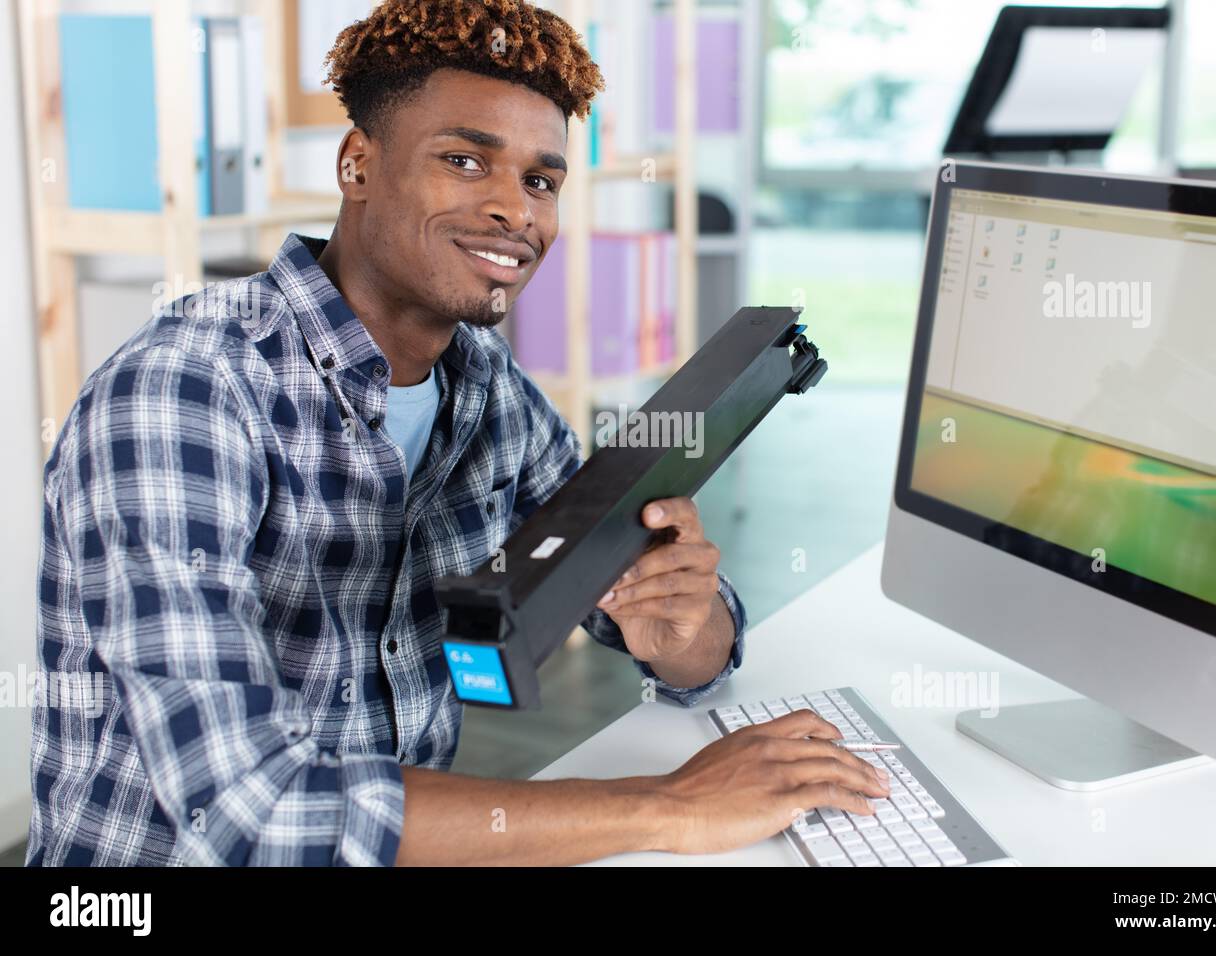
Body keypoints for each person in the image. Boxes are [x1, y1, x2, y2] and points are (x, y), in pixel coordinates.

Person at [28, 0, 885, 866]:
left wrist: (680, 630)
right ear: (358, 163)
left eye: (540, 181)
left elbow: (664, 632)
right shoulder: (184, 394)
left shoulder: (485, 384)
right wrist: (670, 807)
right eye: (466, 160)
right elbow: (251, 808)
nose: (514, 209)